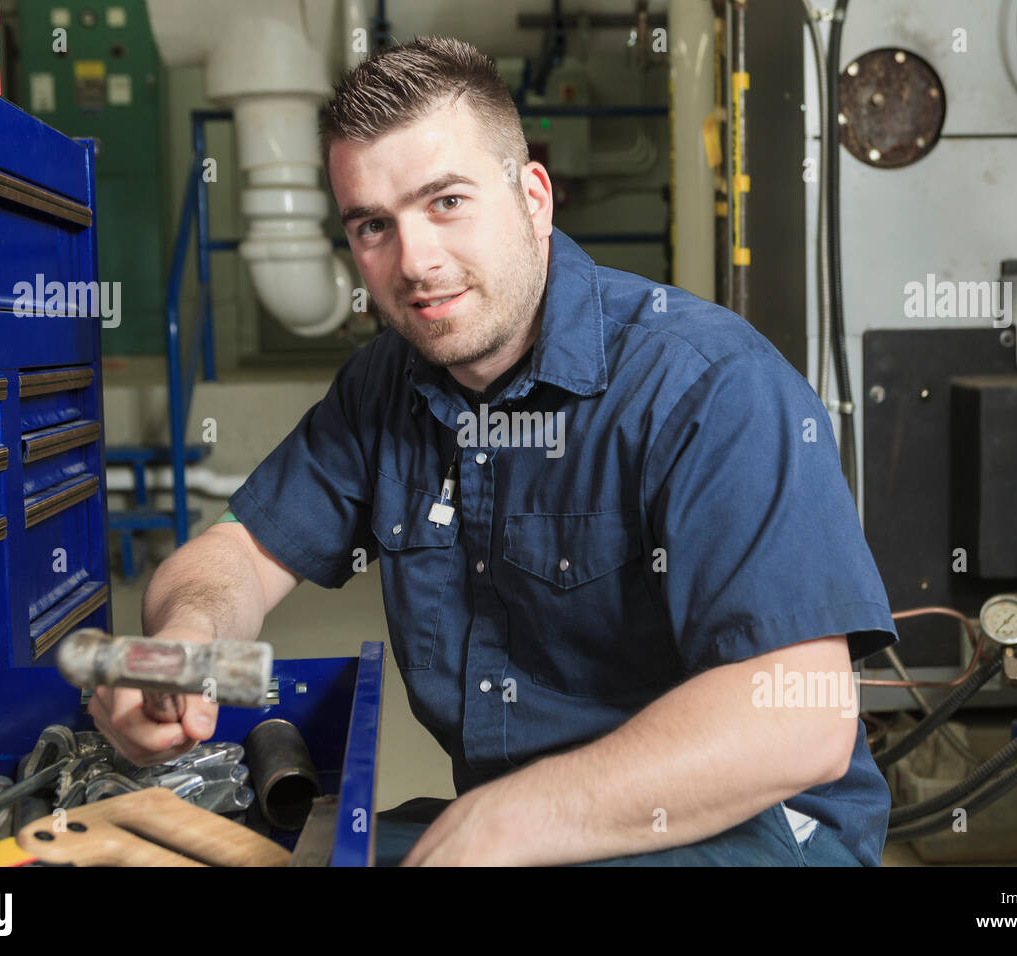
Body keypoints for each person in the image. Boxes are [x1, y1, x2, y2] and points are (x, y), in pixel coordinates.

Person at [90, 35, 899, 867]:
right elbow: (236, 553)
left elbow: (798, 720)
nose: (415, 262)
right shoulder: (384, 388)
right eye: (374, 225)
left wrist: (519, 819)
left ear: (534, 198)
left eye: (446, 202)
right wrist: (186, 640)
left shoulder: (707, 385)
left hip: (750, 829)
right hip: (524, 830)